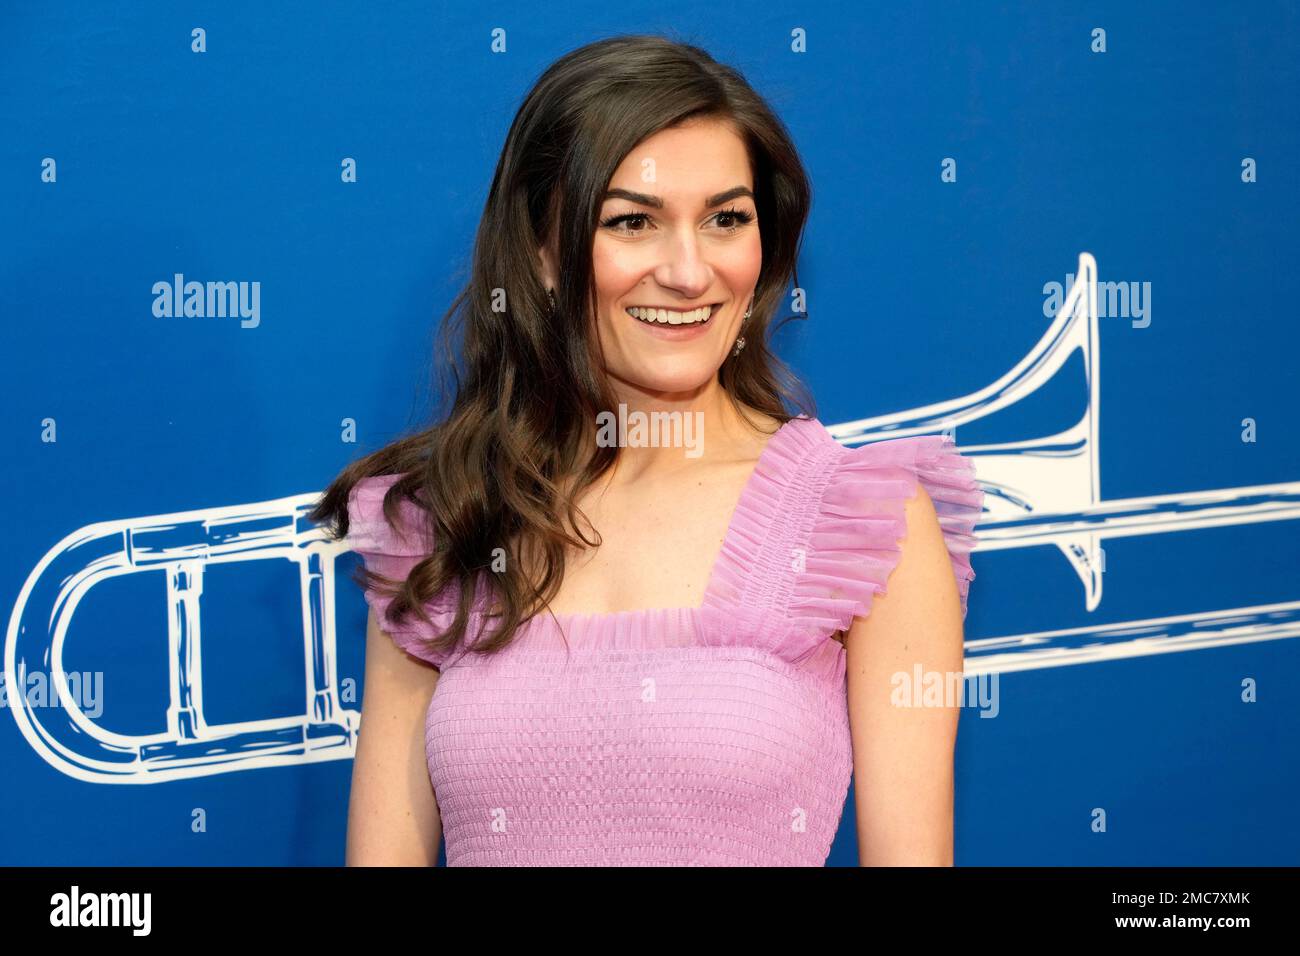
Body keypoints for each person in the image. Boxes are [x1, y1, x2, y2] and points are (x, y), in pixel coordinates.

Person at [311, 33, 983, 866]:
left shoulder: (861, 520)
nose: (691, 271)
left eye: (726, 220)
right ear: (544, 254)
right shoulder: (448, 515)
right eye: (634, 222)